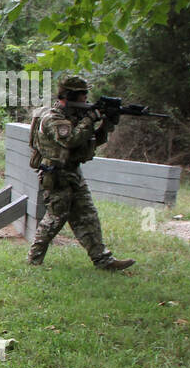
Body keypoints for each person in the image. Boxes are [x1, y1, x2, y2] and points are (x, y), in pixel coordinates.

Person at [27, 75, 134, 270]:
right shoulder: (53, 118)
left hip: (74, 173)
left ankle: (103, 260)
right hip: (56, 175)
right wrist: (90, 118)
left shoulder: (75, 118)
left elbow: (90, 142)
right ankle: (34, 259)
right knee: (55, 218)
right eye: (83, 95)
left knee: (88, 215)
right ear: (69, 95)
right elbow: (70, 140)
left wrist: (106, 124)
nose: (86, 98)